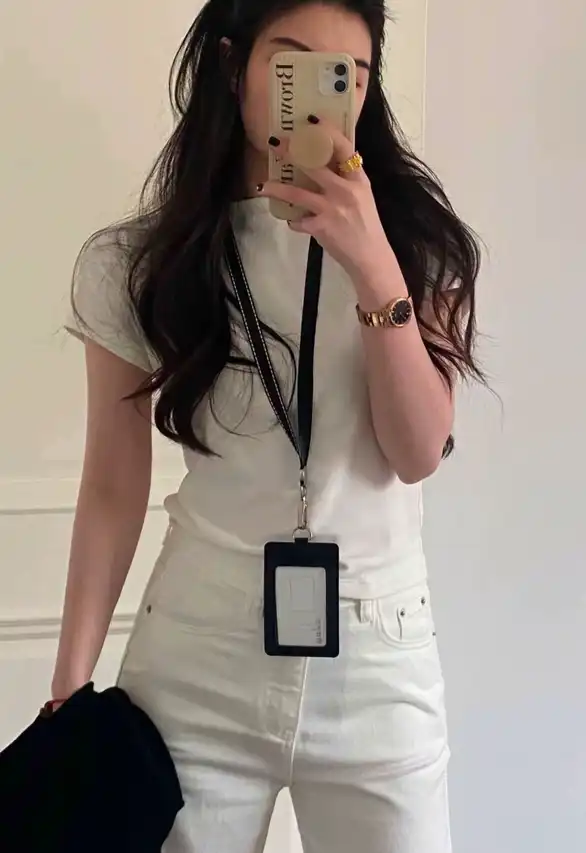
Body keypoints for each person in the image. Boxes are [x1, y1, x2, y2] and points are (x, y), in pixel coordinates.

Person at [52, 1, 483, 851]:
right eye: (294, 64)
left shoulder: (416, 247)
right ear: (231, 65)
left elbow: (416, 451)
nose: (325, 94)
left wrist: (374, 265)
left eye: (349, 75)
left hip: (378, 654)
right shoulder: (138, 265)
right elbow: (111, 483)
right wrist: (70, 680)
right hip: (198, 651)